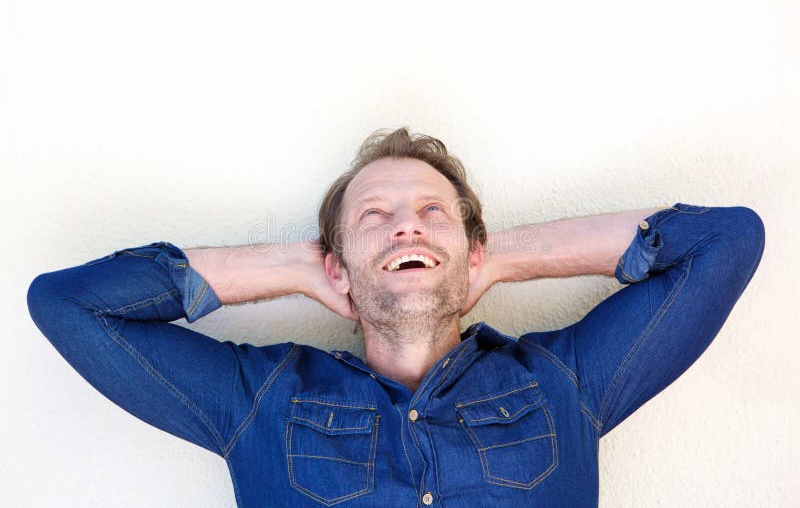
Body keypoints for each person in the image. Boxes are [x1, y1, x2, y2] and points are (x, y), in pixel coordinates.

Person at [26, 127, 765, 507]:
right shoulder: (262, 401)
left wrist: (496, 258)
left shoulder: (565, 383)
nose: (407, 228)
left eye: (431, 213)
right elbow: (68, 305)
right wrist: (294, 267)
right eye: (375, 216)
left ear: (470, 251)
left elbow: (726, 241)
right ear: (337, 264)